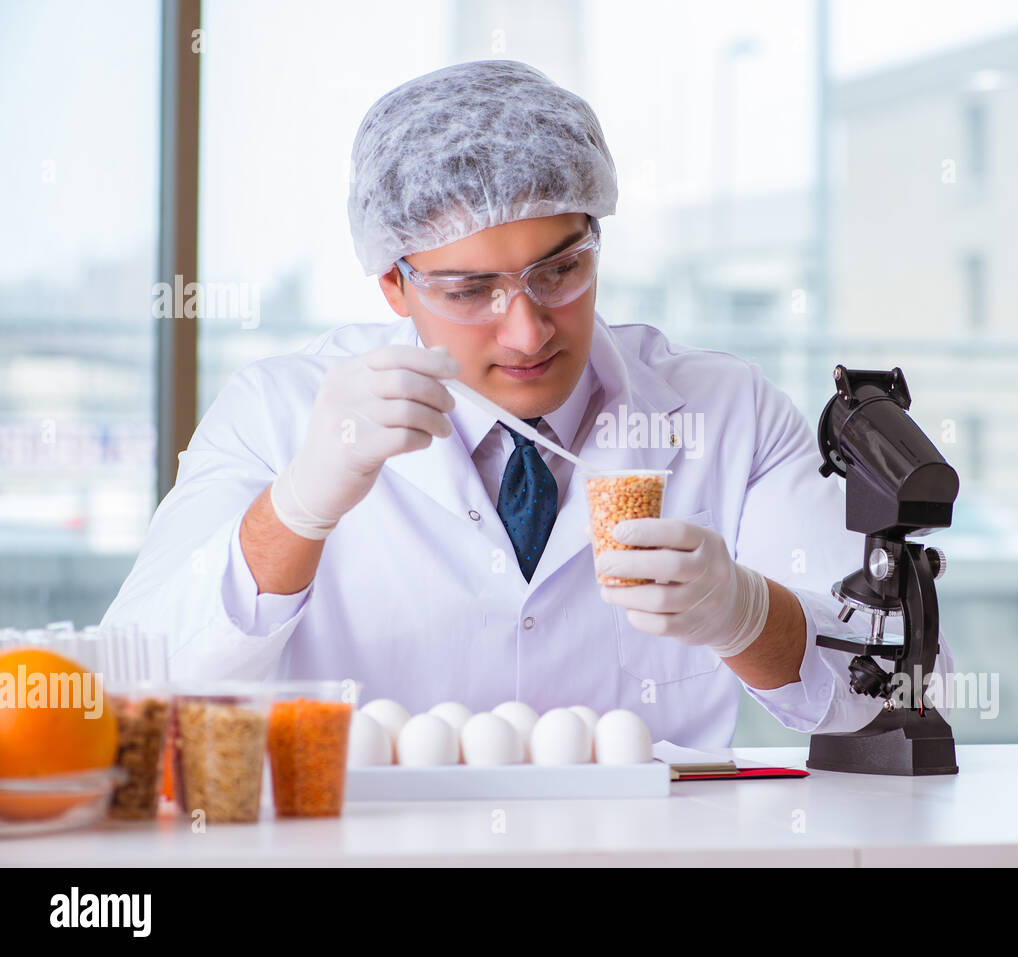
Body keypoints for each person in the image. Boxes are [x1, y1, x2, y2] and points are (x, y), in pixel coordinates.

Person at [103, 60, 954, 747]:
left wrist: (745, 611)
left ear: (597, 239)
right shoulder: (277, 414)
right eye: (471, 288)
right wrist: (296, 508)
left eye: (560, 269)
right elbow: (133, 692)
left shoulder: (726, 411)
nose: (526, 330)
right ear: (395, 286)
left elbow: (910, 679)